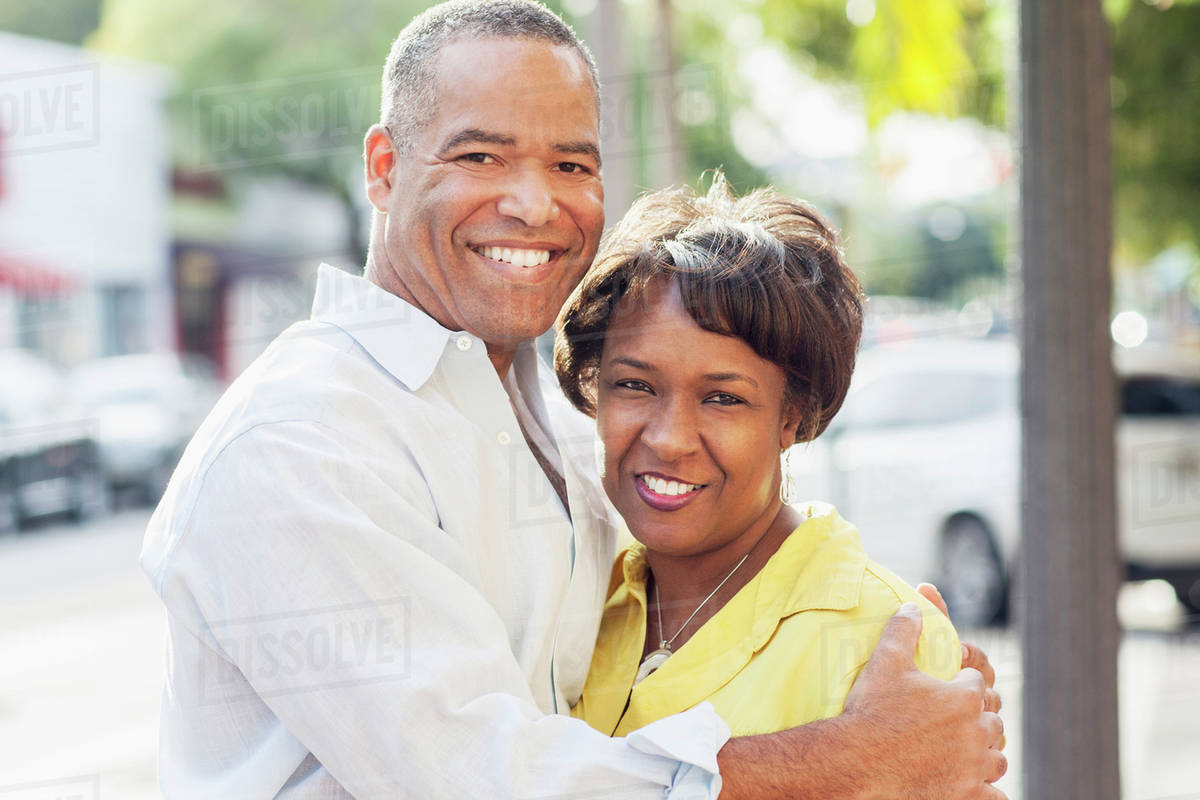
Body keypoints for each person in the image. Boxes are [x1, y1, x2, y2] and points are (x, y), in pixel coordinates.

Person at [140, 1, 1006, 797]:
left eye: (571, 163)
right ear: (384, 166)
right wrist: (855, 758)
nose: (532, 202)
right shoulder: (302, 440)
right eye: (480, 155)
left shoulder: (541, 430)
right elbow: (480, 777)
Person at [557, 175, 962, 742]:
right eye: (636, 386)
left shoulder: (883, 638)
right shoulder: (573, 595)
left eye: (723, 398)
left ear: (791, 415)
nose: (670, 439)